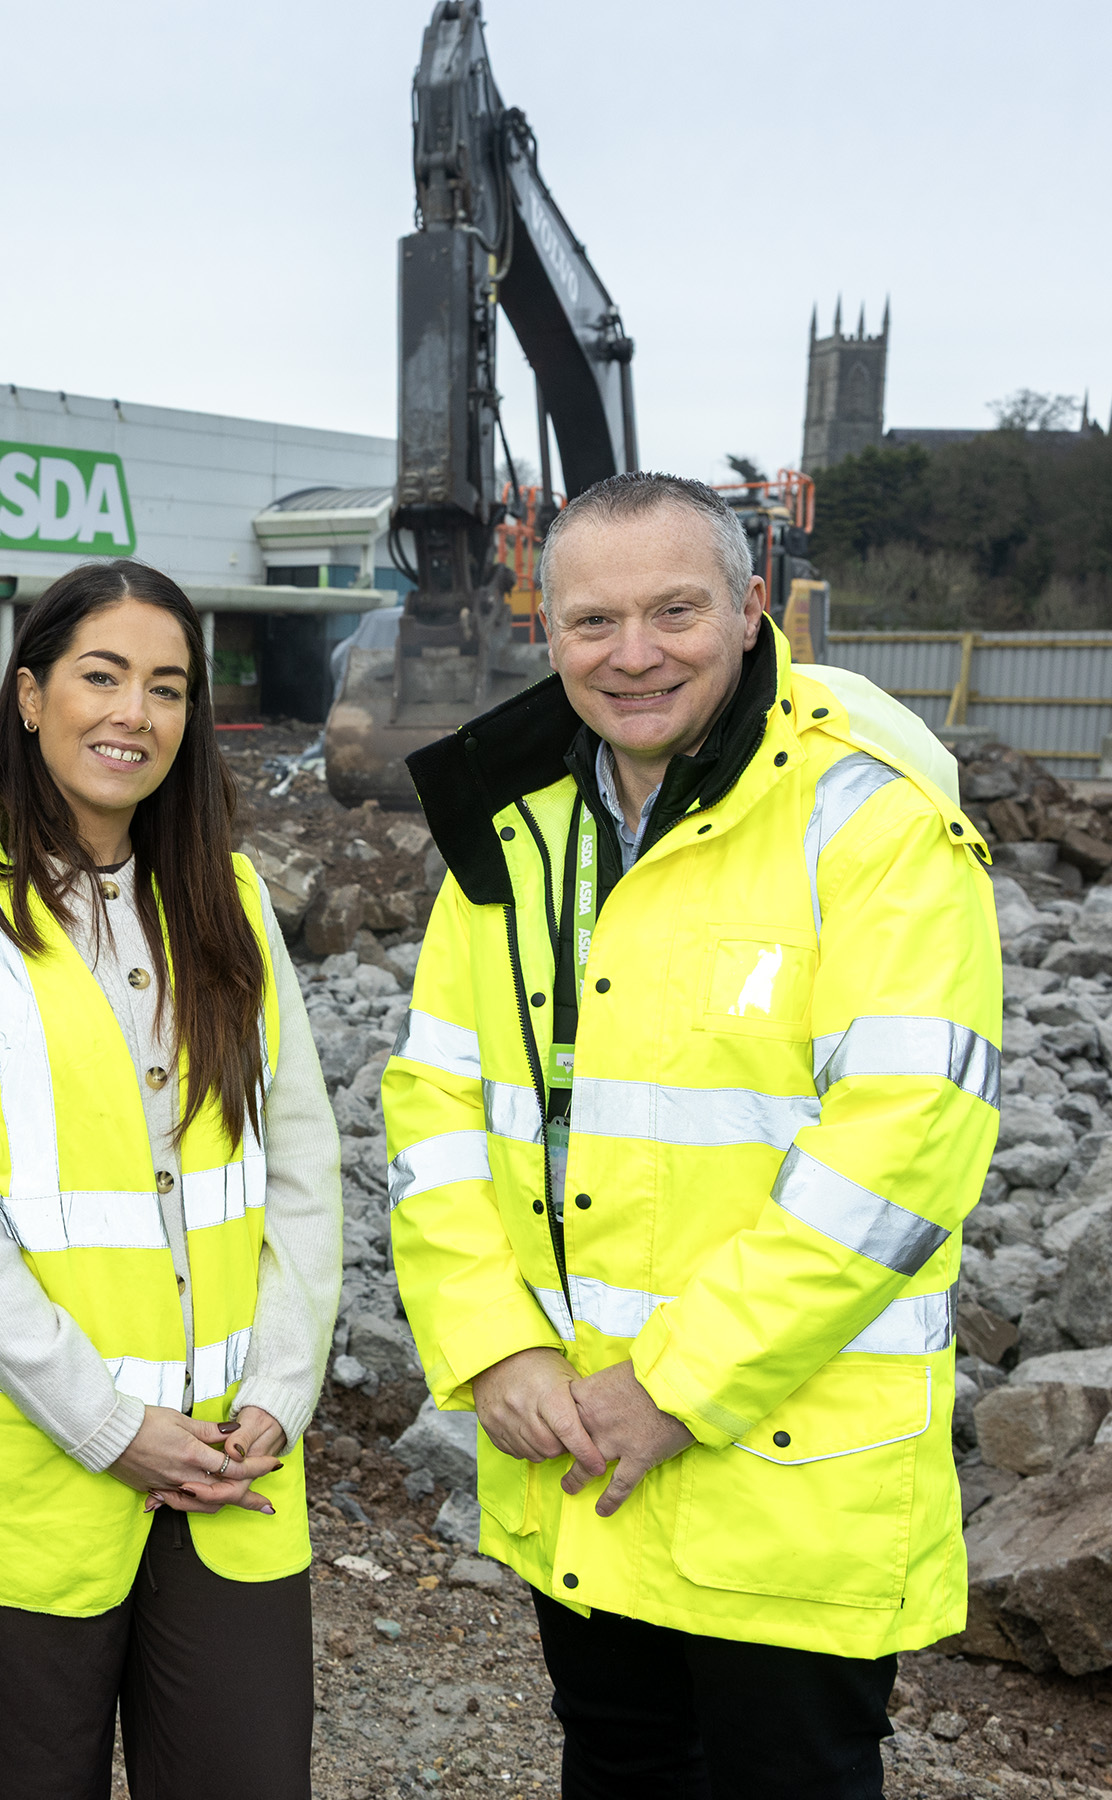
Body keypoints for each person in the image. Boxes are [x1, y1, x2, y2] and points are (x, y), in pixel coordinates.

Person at [386, 471, 1000, 1797]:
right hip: (578, 1453)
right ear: (543, 629)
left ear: (752, 605)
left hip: (786, 1477)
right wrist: (492, 1343)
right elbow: (435, 1108)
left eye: (675, 611)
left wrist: (674, 1388)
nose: (635, 654)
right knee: (617, 1765)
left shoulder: (873, 814)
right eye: (593, 621)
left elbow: (905, 1147)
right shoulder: (515, 827)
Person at [0, 559, 343, 1799]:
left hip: (234, 1469)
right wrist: (115, 1429)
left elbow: (300, 1167)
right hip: (30, 1483)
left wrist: (281, 1388)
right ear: (29, 696)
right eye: (102, 676)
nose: (135, 713)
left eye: (167, 688)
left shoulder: (227, 900)